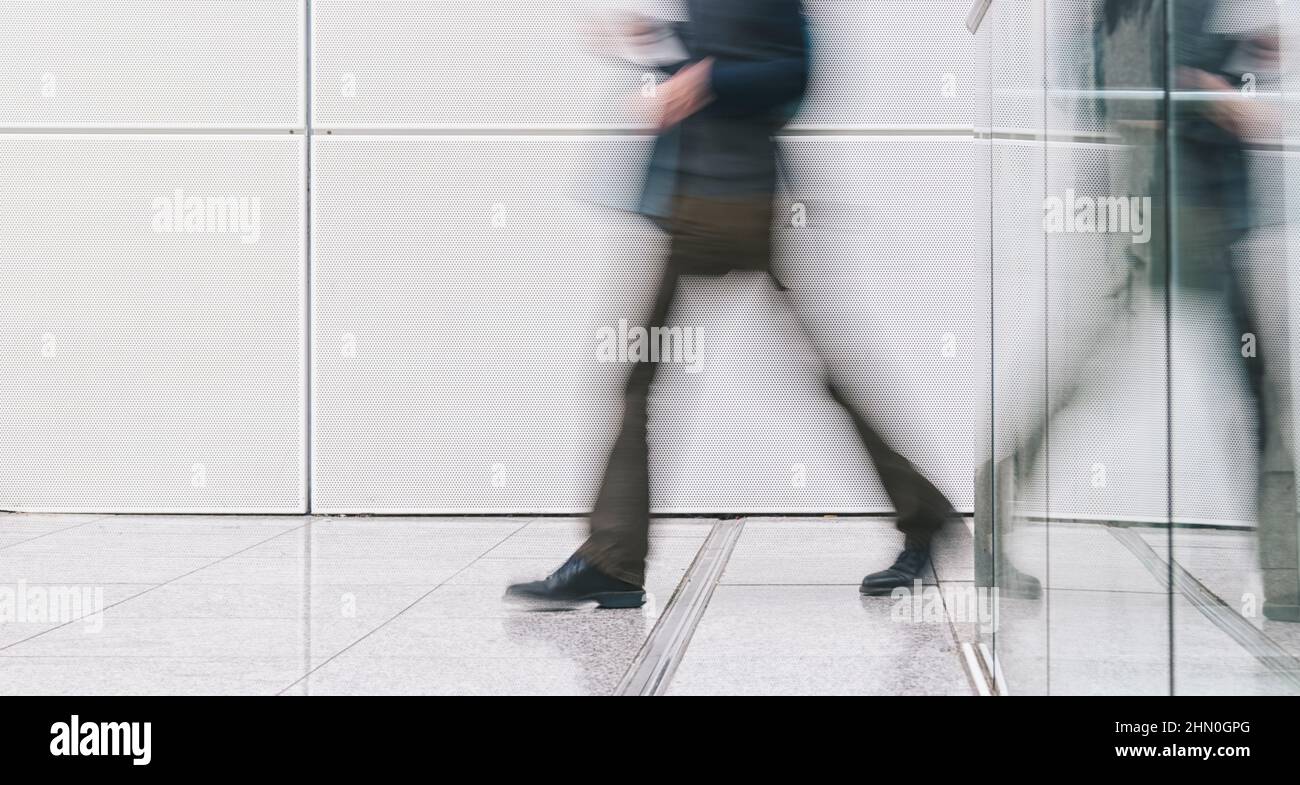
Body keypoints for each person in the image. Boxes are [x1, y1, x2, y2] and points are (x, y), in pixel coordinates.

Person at [506, 0, 958, 608]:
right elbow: (728, 47)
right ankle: (924, 513)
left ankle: (613, 559)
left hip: (730, 203)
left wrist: (703, 78)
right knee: (806, 375)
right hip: (703, 198)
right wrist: (664, 43)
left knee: (647, 377)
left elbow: (794, 73)